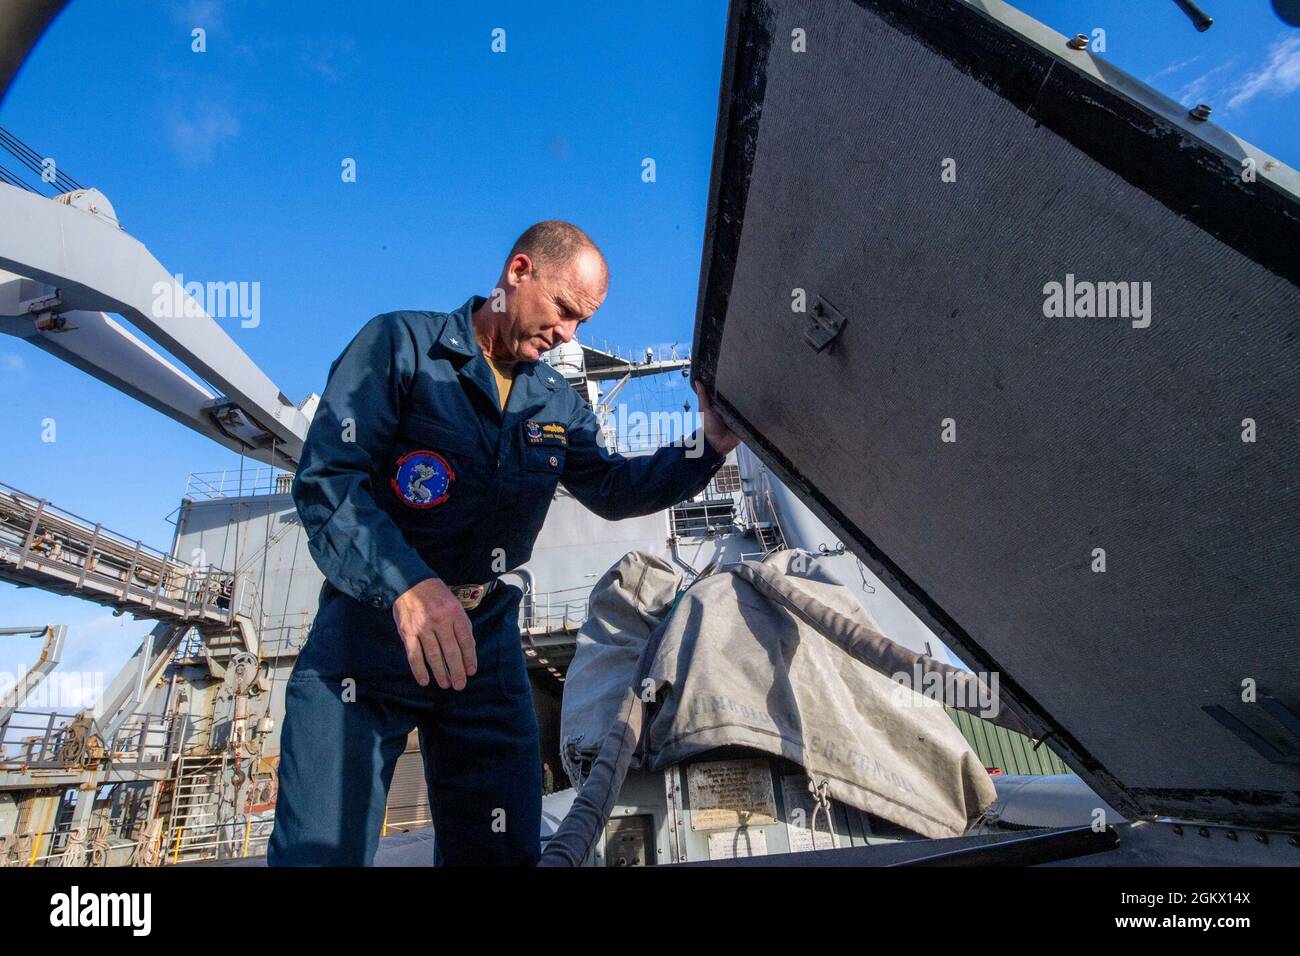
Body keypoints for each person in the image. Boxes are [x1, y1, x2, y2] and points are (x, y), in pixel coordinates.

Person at [268, 220, 740, 866]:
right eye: (564, 311)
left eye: (583, 319)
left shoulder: (556, 403)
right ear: (518, 273)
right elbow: (328, 481)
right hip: (368, 641)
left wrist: (706, 446)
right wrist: (407, 583)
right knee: (317, 855)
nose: (570, 334)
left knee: (502, 854)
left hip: (482, 645)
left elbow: (613, 487)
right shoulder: (399, 348)